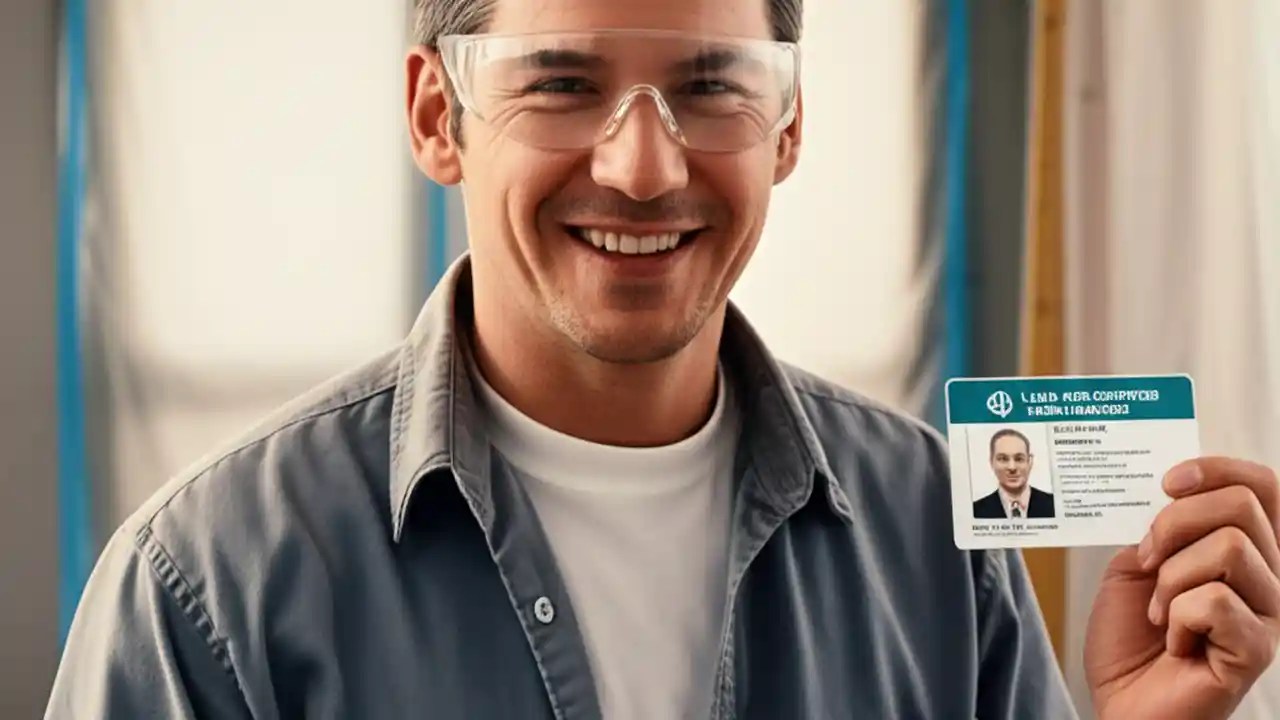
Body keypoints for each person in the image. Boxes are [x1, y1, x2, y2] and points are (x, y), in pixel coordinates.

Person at [46, 0, 1280, 718]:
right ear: (436, 116)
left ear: (786, 126)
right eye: (561, 84)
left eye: (710, 88)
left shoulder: (937, 550)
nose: (642, 166)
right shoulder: (203, 589)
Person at [973, 428, 1055, 519]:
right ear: (992, 462)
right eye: (1003, 459)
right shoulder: (975, 511)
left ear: (1030, 461)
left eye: (1019, 459)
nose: (1012, 467)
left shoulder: (1054, 505)